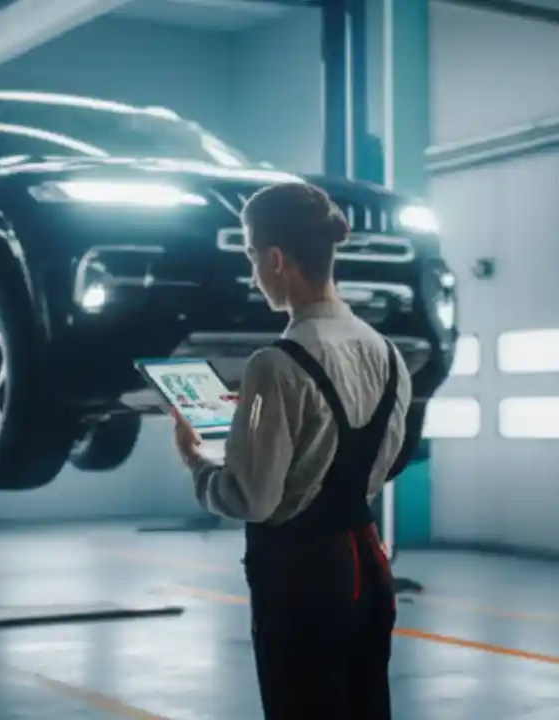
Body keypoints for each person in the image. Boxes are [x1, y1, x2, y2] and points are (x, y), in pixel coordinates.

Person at [170, 181, 413, 719]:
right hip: (369, 567)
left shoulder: (274, 365)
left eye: (252, 255)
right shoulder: (387, 353)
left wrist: (197, 463)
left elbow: (254, 499)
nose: (253, 271)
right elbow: (380, 459)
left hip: (303, 578)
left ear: (276, 259)